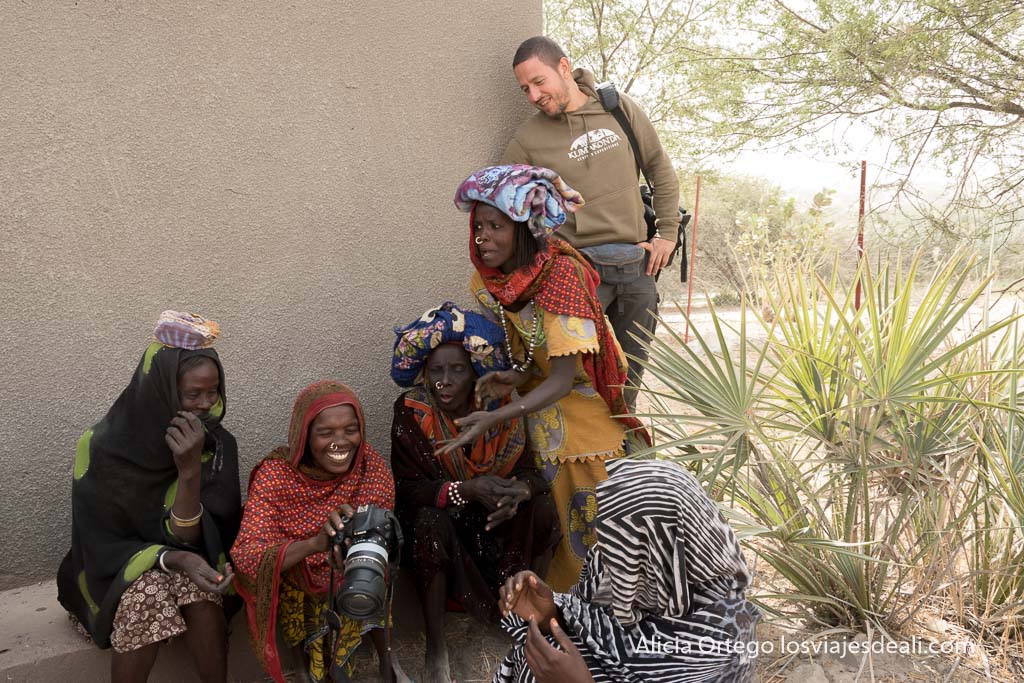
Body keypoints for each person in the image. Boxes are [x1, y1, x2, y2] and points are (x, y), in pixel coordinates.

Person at [443, 164, 650, 593]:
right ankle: (566, 611)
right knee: (557, 519)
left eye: (496, 226)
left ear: (526, 228)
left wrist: (496, 418)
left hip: (585, 417)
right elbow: (534, 358)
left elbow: (563, 378)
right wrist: (513, 378)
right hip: (542, 409)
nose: (483, 237)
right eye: (478, 226)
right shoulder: (495, 283)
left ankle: (610, 609)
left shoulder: (561, 279)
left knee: (594, 526)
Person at [57, 312, 241, 683]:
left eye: (213, 391)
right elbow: (100, 544)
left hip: (186, 559)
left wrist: (189, 472)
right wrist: (171, 557)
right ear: (161, 390)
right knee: (149, 592)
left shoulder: (217, 445)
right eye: (192, 395)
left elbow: (200, 539)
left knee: (200, 594)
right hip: (110, 572)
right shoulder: (101, 449)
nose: (206, 404)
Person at [503, 36, 682, 410]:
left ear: (564, 68)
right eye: (525, 89)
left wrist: (667, 233)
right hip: (578, 275)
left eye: (539, 82)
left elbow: (660, 169)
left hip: (637, 268)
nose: (533, 95)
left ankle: (626, 461)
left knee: (629, 387)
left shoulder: (619, 109)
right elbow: (505, 205)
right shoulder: (528, 139)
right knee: (578, 386)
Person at [390, 301, 562, 683]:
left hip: (496, 526)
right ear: (424, 374)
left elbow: (532, 475)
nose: (445, 381)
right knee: (428, 523)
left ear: (476, 372)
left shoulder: (500, 411)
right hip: (444, 529)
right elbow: (407, 490)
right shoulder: (412, 411)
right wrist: (465, 490)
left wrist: (515, 493)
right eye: (436, 371)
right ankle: (437, 649)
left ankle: (528, 618)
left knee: (544, 509)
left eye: (457, 370)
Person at [494, 458, 760, 683]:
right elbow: (591, 619)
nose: (597, 534)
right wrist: (552, 615)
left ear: (659, 552)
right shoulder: (621, 562)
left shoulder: (726, 646)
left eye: (620, 535)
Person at [230, 380, 409, 683]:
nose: (340, 442)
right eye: (325, 433)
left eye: (350, 430)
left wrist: (353, 544)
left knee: (374, 559)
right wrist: (315, 544)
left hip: (349, 569)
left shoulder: (369, 466)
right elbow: (247, 555)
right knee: (280, 565)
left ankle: (388, 661)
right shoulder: (276, 475)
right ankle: (303, 668)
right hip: (302, 576)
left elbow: (385, 528)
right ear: (304, 436)